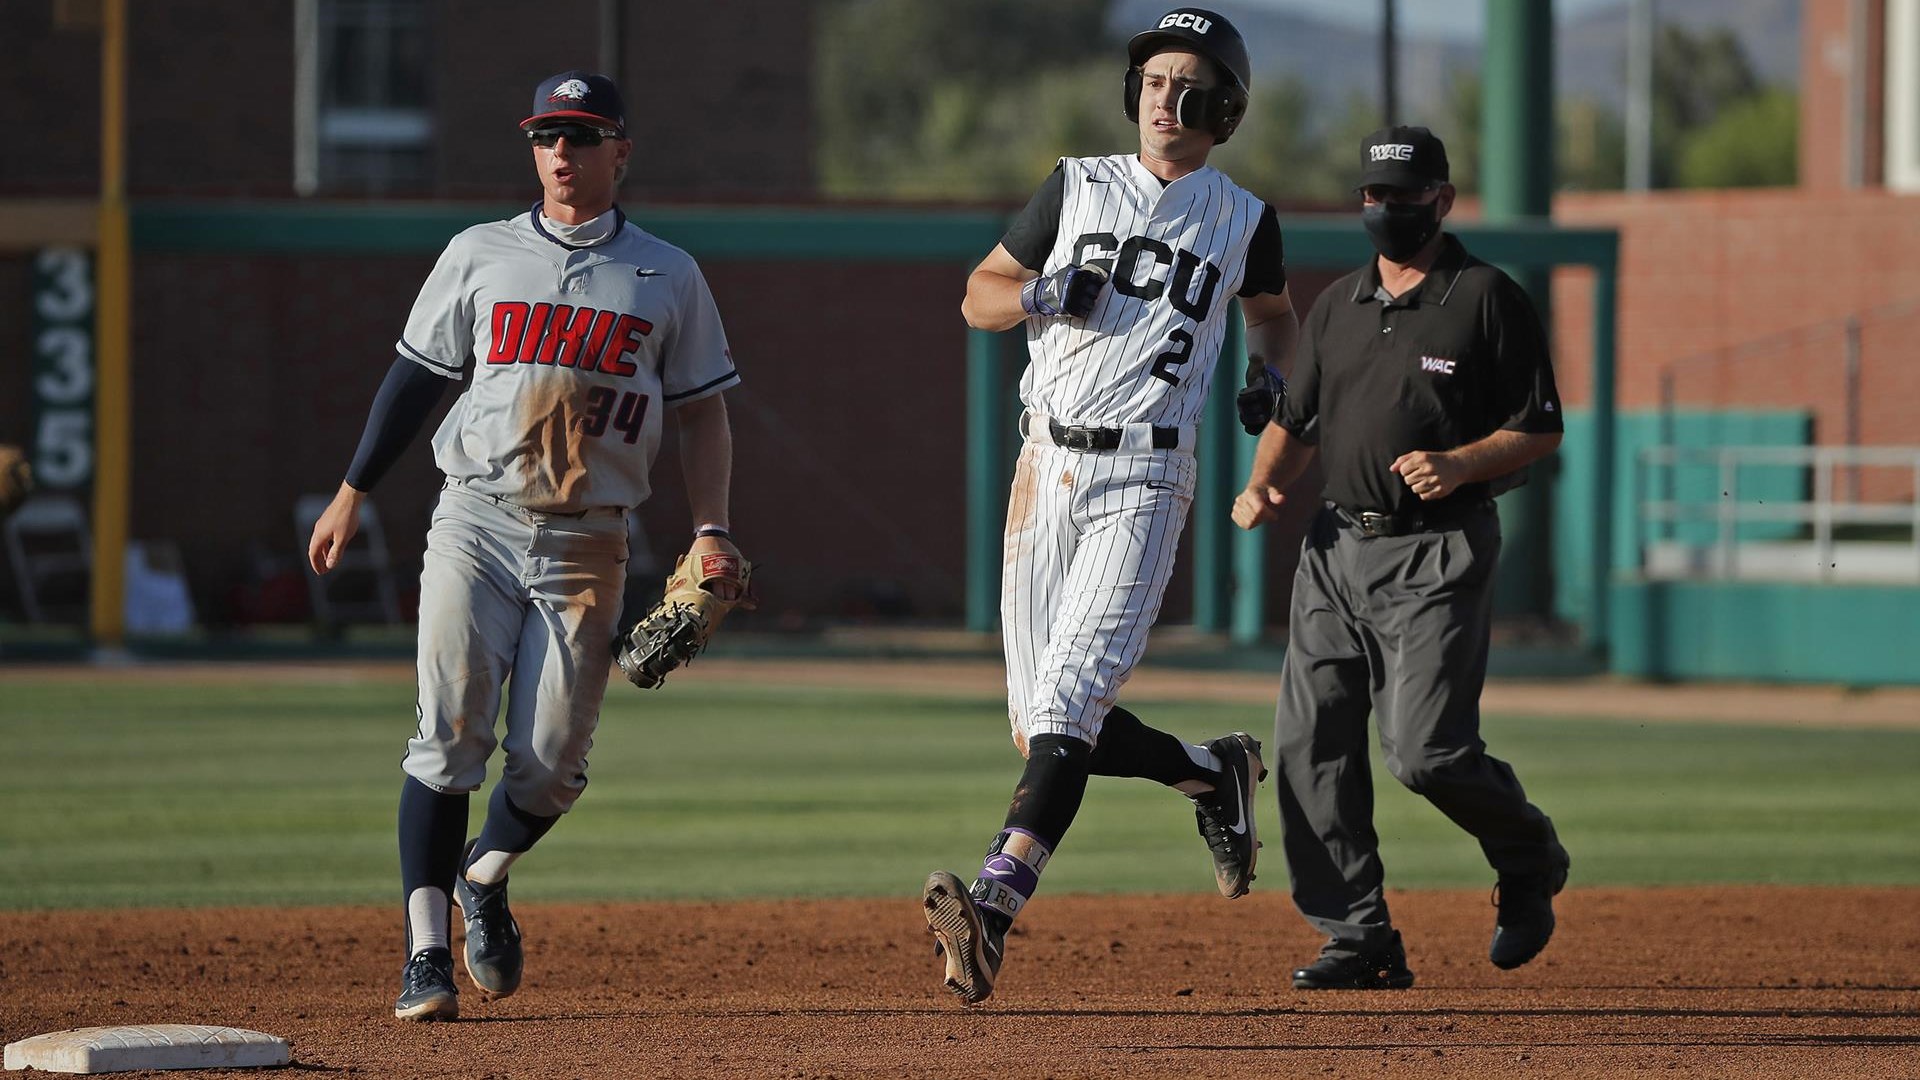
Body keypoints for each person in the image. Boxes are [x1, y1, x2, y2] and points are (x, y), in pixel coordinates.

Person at [306, 70, 744, 1021]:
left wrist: (711, 527)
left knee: (551, 764)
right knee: (449, 732)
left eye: (582, 137)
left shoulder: (669, 274)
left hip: (592, 540)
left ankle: (485, 875)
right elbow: (415, 383)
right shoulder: (480, 254)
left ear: (620, 151)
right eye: (548, 136)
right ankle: (426, 952)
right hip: (477, 518)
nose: (561, 154)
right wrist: (352, 494)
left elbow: (704, 413)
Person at [921, 7, 1300, 1005]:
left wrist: (1268, 376)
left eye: (1185, 83)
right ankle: (1209, 776)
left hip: (1147, 471)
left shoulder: (1244, 217)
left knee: (1070, 695)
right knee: (1043, 722)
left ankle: (995, 909)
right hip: (1043, 468)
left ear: (1224, 105)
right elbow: (978, 295)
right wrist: (1043, 294)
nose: (1162, 98)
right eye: (1150, 79)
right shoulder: (1076, 184)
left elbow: (1272, 315)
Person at [1232, 125, 1571, 990]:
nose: (1388, 210)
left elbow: (1540, 426)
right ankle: (1358, 937)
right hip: (1336, 550)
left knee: (1424, 751)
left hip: (1438, 550)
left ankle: (1528, 856)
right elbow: (1294, 422)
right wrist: (1262, 485)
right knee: (1309, 747)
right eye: (1375, 196)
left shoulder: (1486, 296)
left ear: (1444, 200)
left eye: (1407, 196)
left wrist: (1459, 462)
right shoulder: (1340, 305)